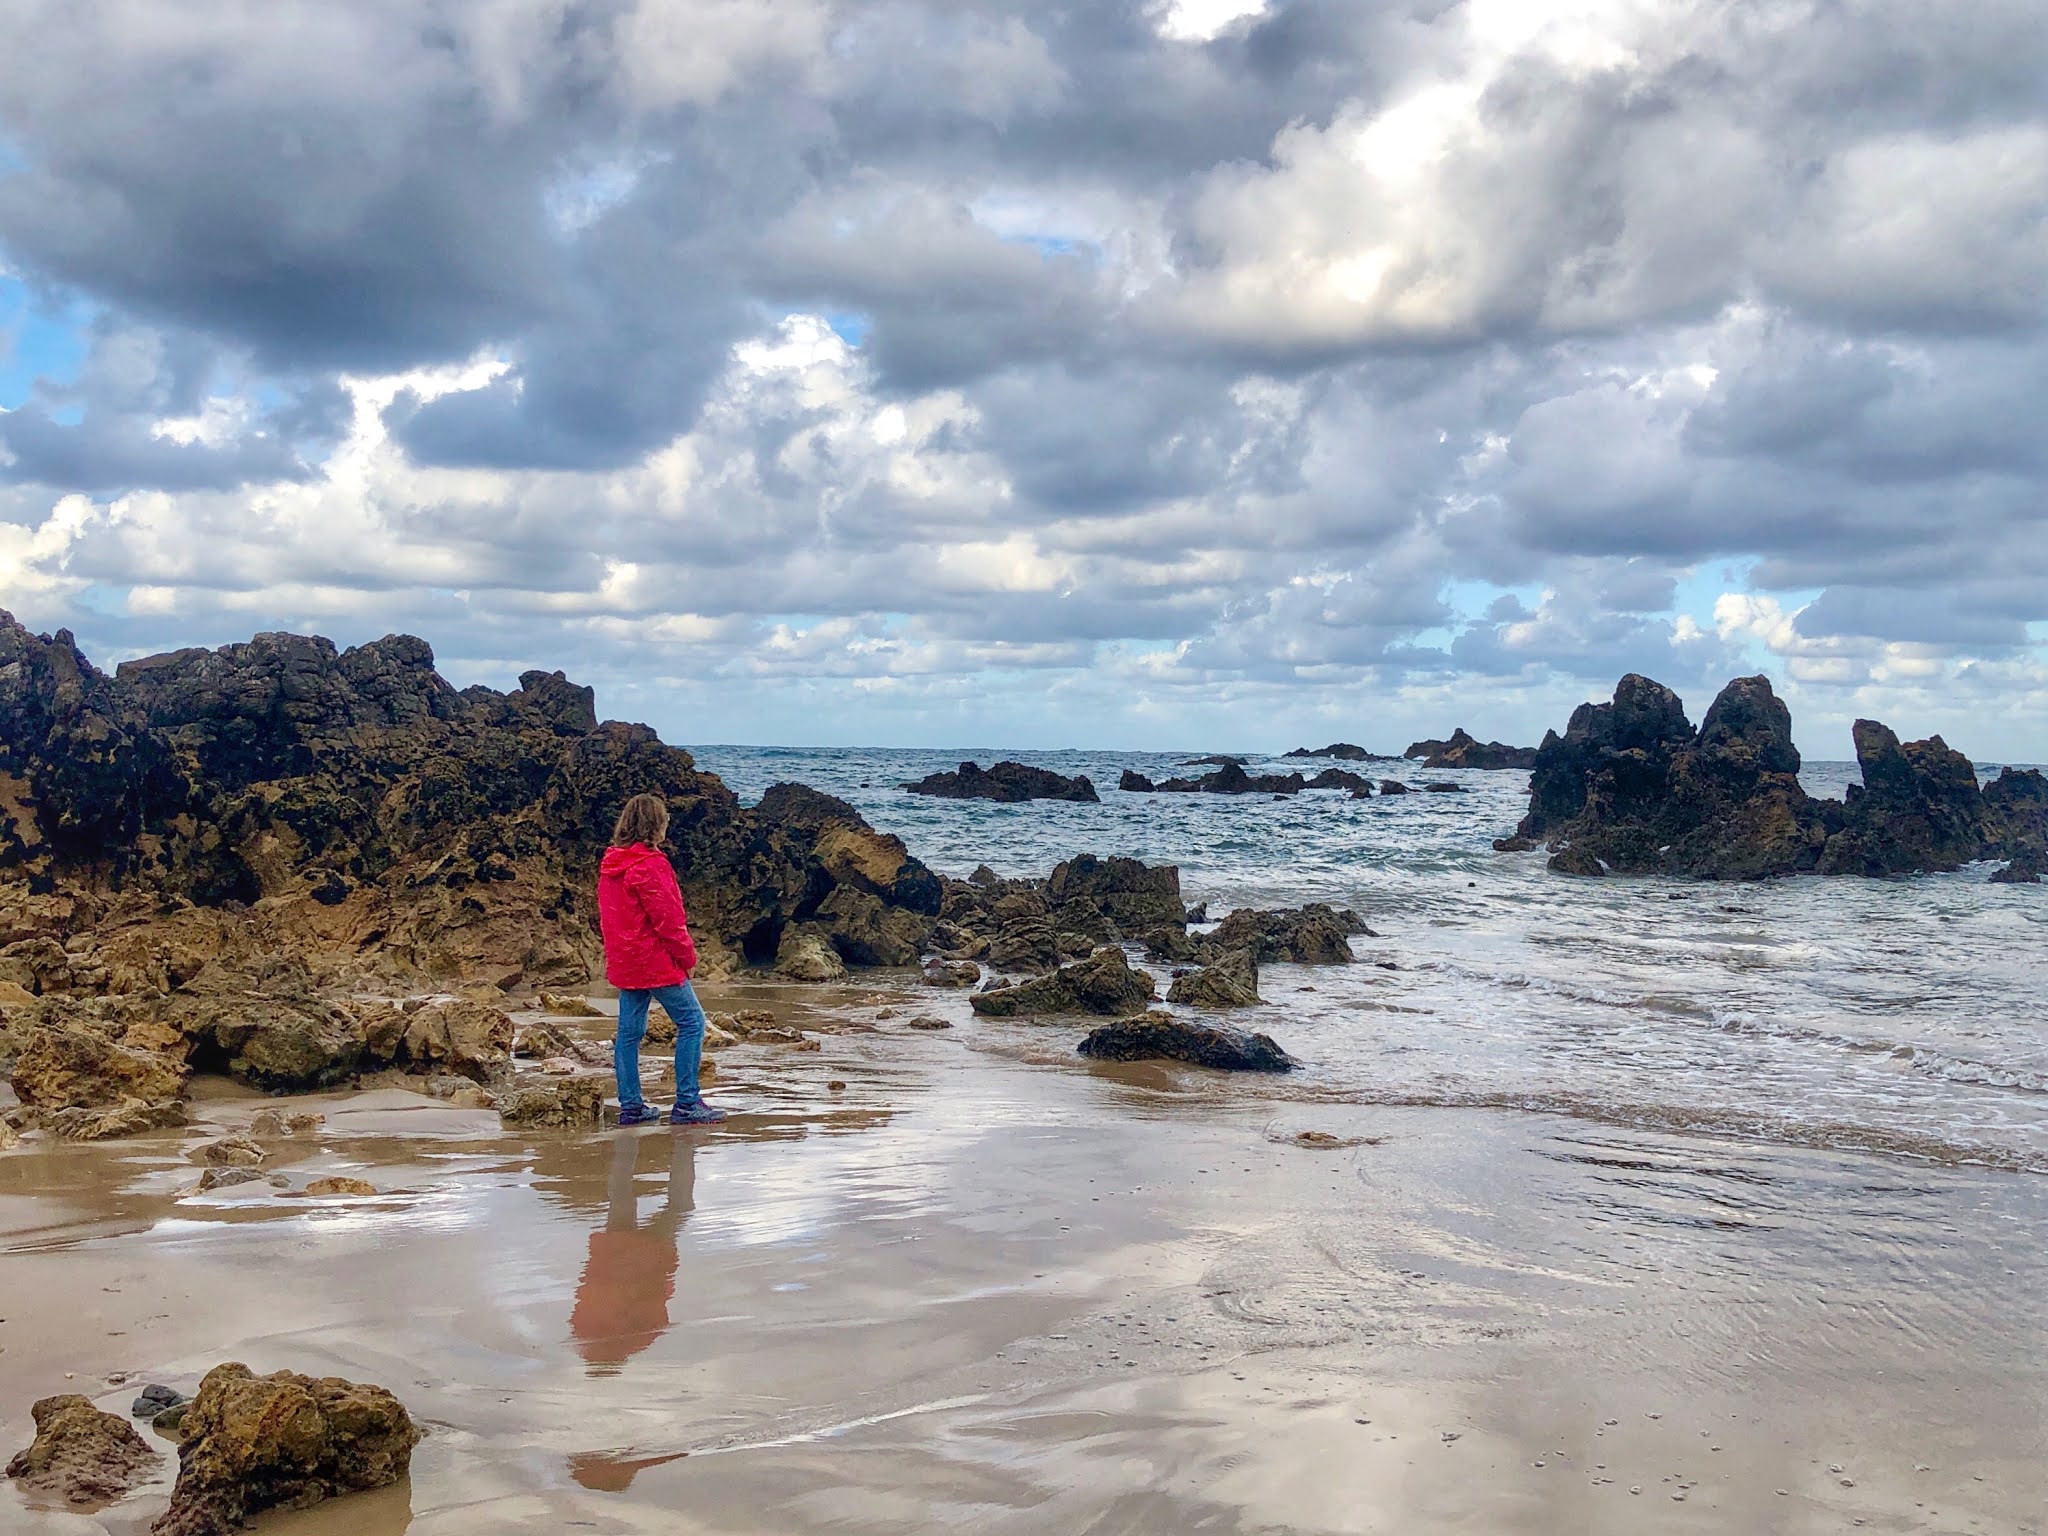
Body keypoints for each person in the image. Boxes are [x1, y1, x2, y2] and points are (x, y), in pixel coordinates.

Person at [596, 792, 725, 1127]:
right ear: (656, 825)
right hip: (656, 961)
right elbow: (669, 920)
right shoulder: (651, 865)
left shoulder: (612, 864)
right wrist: (687, 957)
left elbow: (609, 917)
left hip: (625, 961)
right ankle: (686, 1102)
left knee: (628, 1033)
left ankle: (632, 1107)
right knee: (692, 1022)